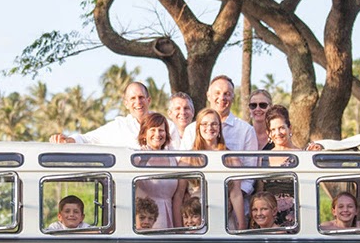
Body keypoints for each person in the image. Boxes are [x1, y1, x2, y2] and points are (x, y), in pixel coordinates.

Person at [49, 81, 178, 148]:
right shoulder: (119, 126)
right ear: (126, 104)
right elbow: (88, 139)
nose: (138, 102)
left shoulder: (168, 126)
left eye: (141, 97)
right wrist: (66, 140)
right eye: (133, 98)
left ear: (148, 100)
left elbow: (177, 158)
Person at [190, 108, 246, 230]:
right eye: (204, 124)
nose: (209, 127)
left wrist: (242, 224)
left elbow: (236, 194)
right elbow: (179, 196)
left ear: (220, 127)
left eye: (214, 124)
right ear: (198, 128)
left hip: (224, 222)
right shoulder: (188, 159)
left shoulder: (231, 158)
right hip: (195, 222)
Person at [135, 112, 186, 228]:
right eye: (152, 130)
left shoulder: (173, 159)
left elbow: (178, 197)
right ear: (144, 134)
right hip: (146, 221)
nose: (157, 134)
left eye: (161, 130)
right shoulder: (138, 158)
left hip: (169, 217)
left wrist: (178, 228)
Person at [181, 76, 257, 152]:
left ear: (233, 98)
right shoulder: (191, 130)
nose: (222, 98)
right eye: (217, 93)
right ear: (208, 96)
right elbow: (183, 160)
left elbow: (250, 163)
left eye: (227, 94)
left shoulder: (246, 131)